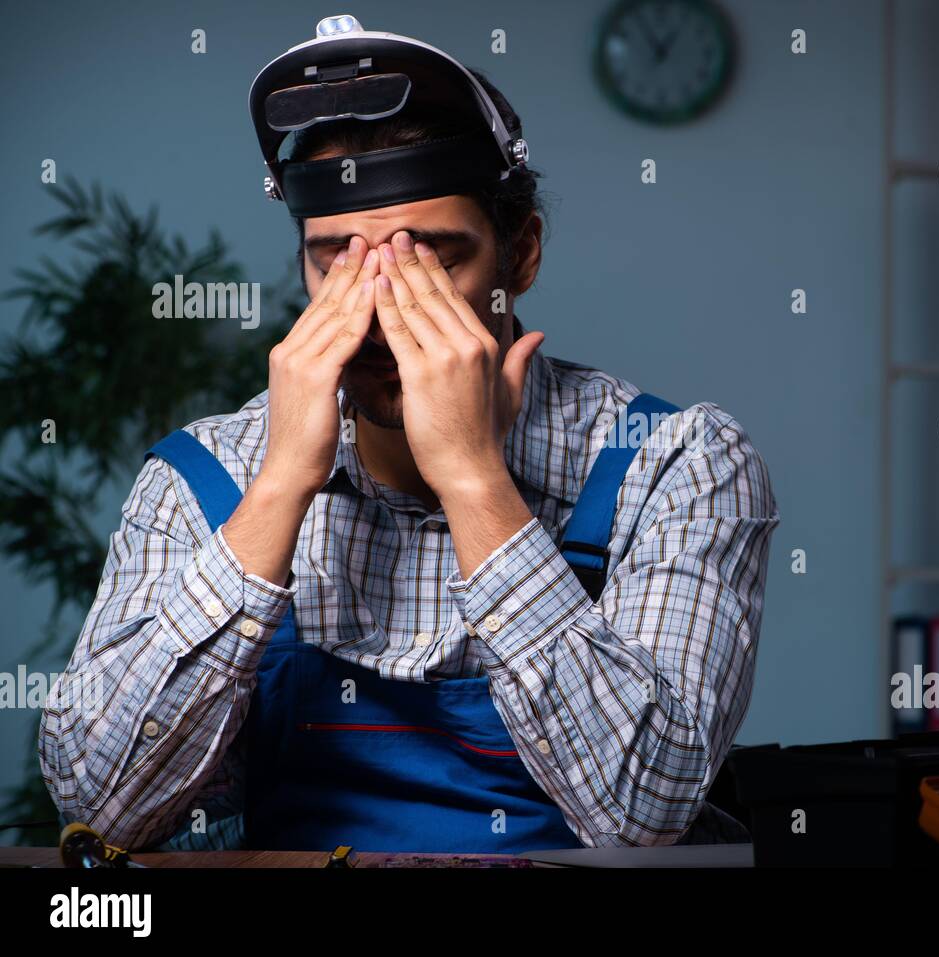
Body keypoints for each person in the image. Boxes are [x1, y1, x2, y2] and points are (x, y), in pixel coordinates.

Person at [39, 16, 778, 853]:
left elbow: (642, 816)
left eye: (431, 259)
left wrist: (473, 480)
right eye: (338, 264)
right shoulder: (204, 477)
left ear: (521, 254)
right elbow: (101, 810)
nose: (384, 316)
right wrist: (280, 484)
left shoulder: (678, 464)